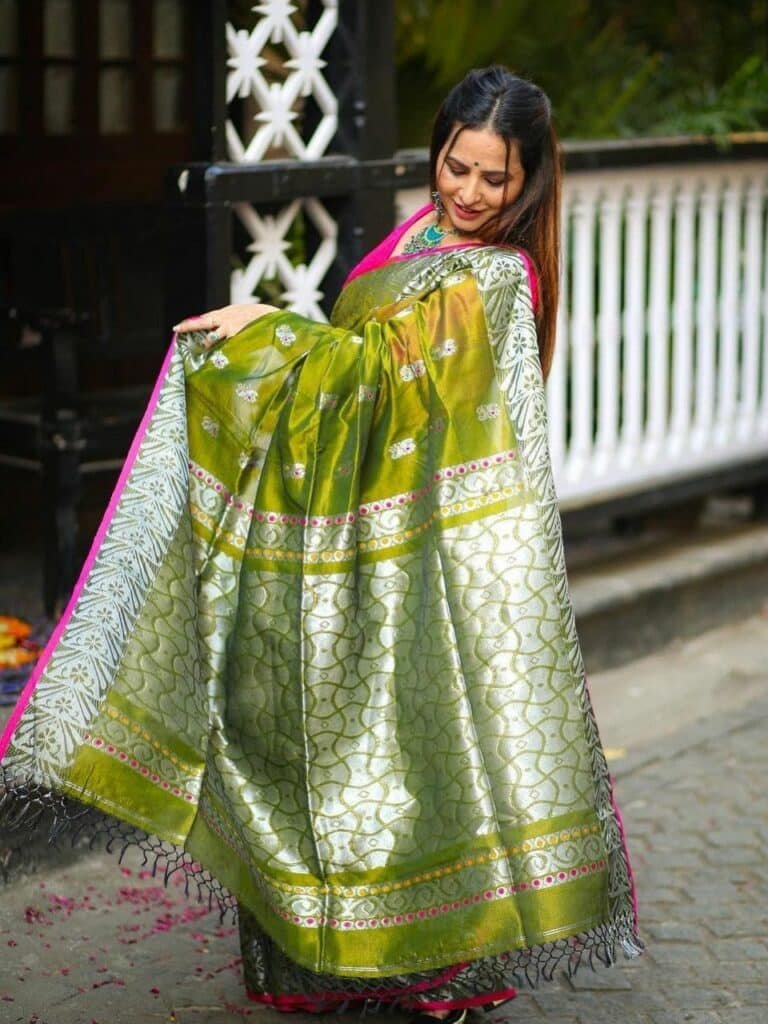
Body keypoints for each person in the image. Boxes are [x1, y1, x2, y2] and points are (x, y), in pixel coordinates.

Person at [0, 66, 642, 1020]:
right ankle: (327, 957)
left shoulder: (500, 277)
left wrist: (265, 324)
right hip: (352, 529)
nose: (469, 193)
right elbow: (356, 363)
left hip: (423, 557)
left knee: (414, 760)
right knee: (309, 741)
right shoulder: (423, 237)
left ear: (529, 182)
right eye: (455, 166)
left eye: (494, 179)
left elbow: (379, 373)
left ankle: (439, 969)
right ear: (436, 151)